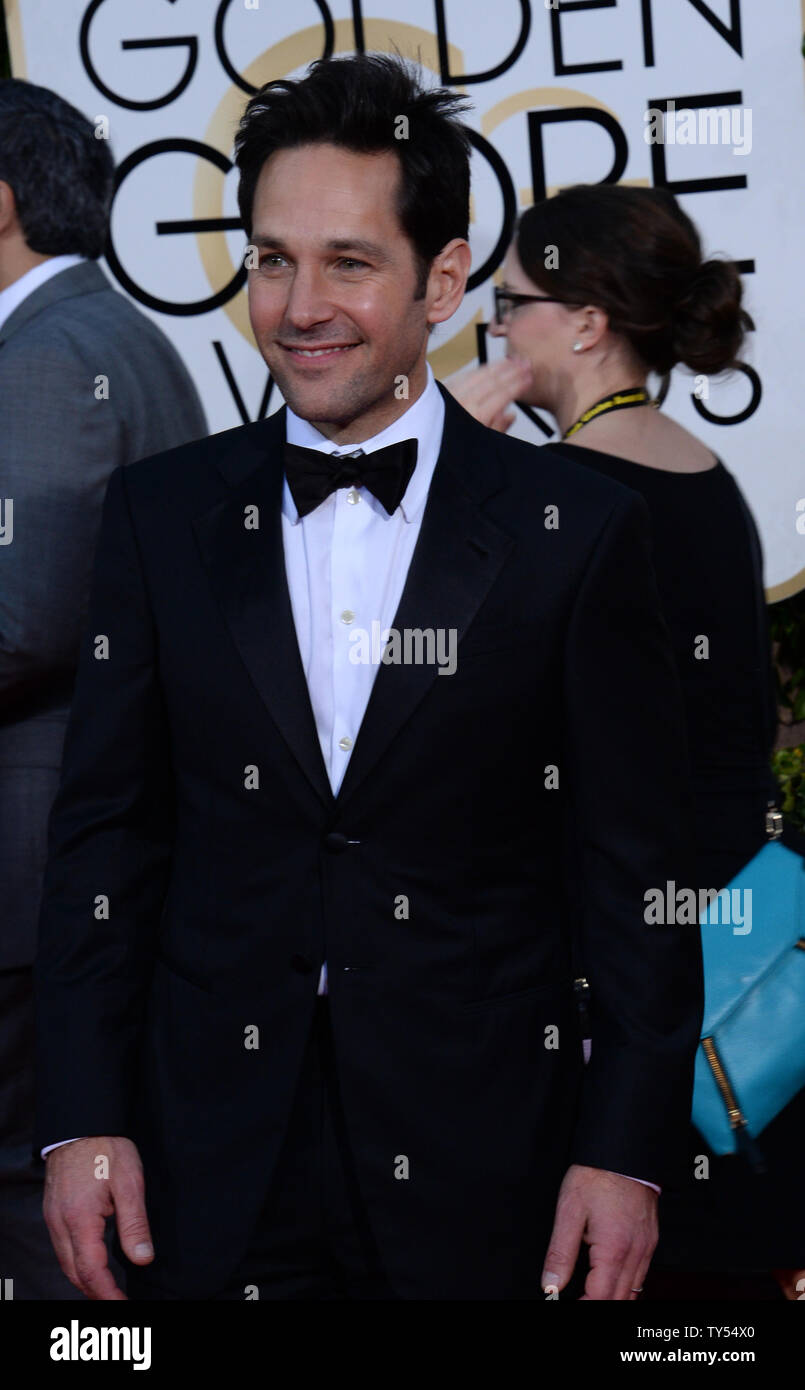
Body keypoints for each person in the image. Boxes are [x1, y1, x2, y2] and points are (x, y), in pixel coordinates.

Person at [34, 56, 702, 1303]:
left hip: (488, 1152)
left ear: (444, 279)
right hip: (211, 1145)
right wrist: (81, 1117)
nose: (298, 306)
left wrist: (627, 1148)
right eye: (272, 258)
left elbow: (637, 875)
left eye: (348, 261)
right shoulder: (163, 514)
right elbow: (108, 839)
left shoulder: (579, 529)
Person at [450, 182, 804, 1300]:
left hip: (610, 954)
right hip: (733, 934)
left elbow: (429, 698)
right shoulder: (705, 478)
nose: (497, 327)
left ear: (588, 322)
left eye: (509, 302)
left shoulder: (555, 494)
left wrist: (443, 464)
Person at [0, 79, 207, 1299]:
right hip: (80, 855)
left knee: (32, 1197)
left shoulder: (44, 359)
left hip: (33, 861)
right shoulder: (120, 336)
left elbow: (16, 620)